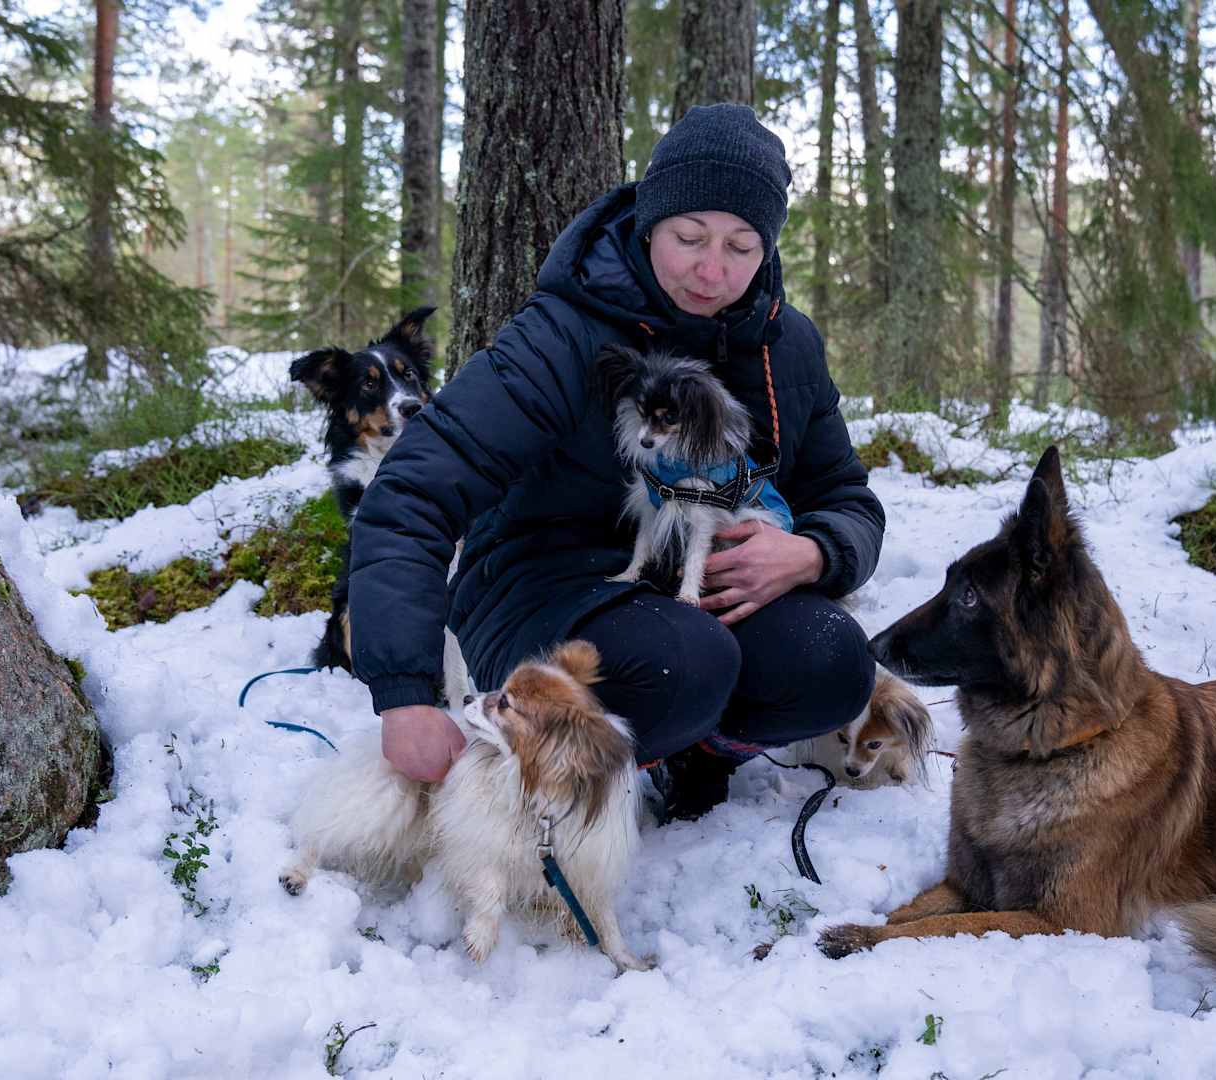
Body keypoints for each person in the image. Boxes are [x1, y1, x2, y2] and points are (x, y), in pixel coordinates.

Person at [347, 103, 885, 820]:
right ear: (649, 222)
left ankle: (695, 753)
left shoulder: (787, 346)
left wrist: (814, 553)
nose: (711, 268)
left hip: (694, 584)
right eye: (688, 236)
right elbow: (412, 491)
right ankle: (571, 763)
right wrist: (406, 693)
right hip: (544, 584)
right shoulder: (561, 333)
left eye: (742, 245)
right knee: (687, 662)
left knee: (834, 663)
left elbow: (845, 493)